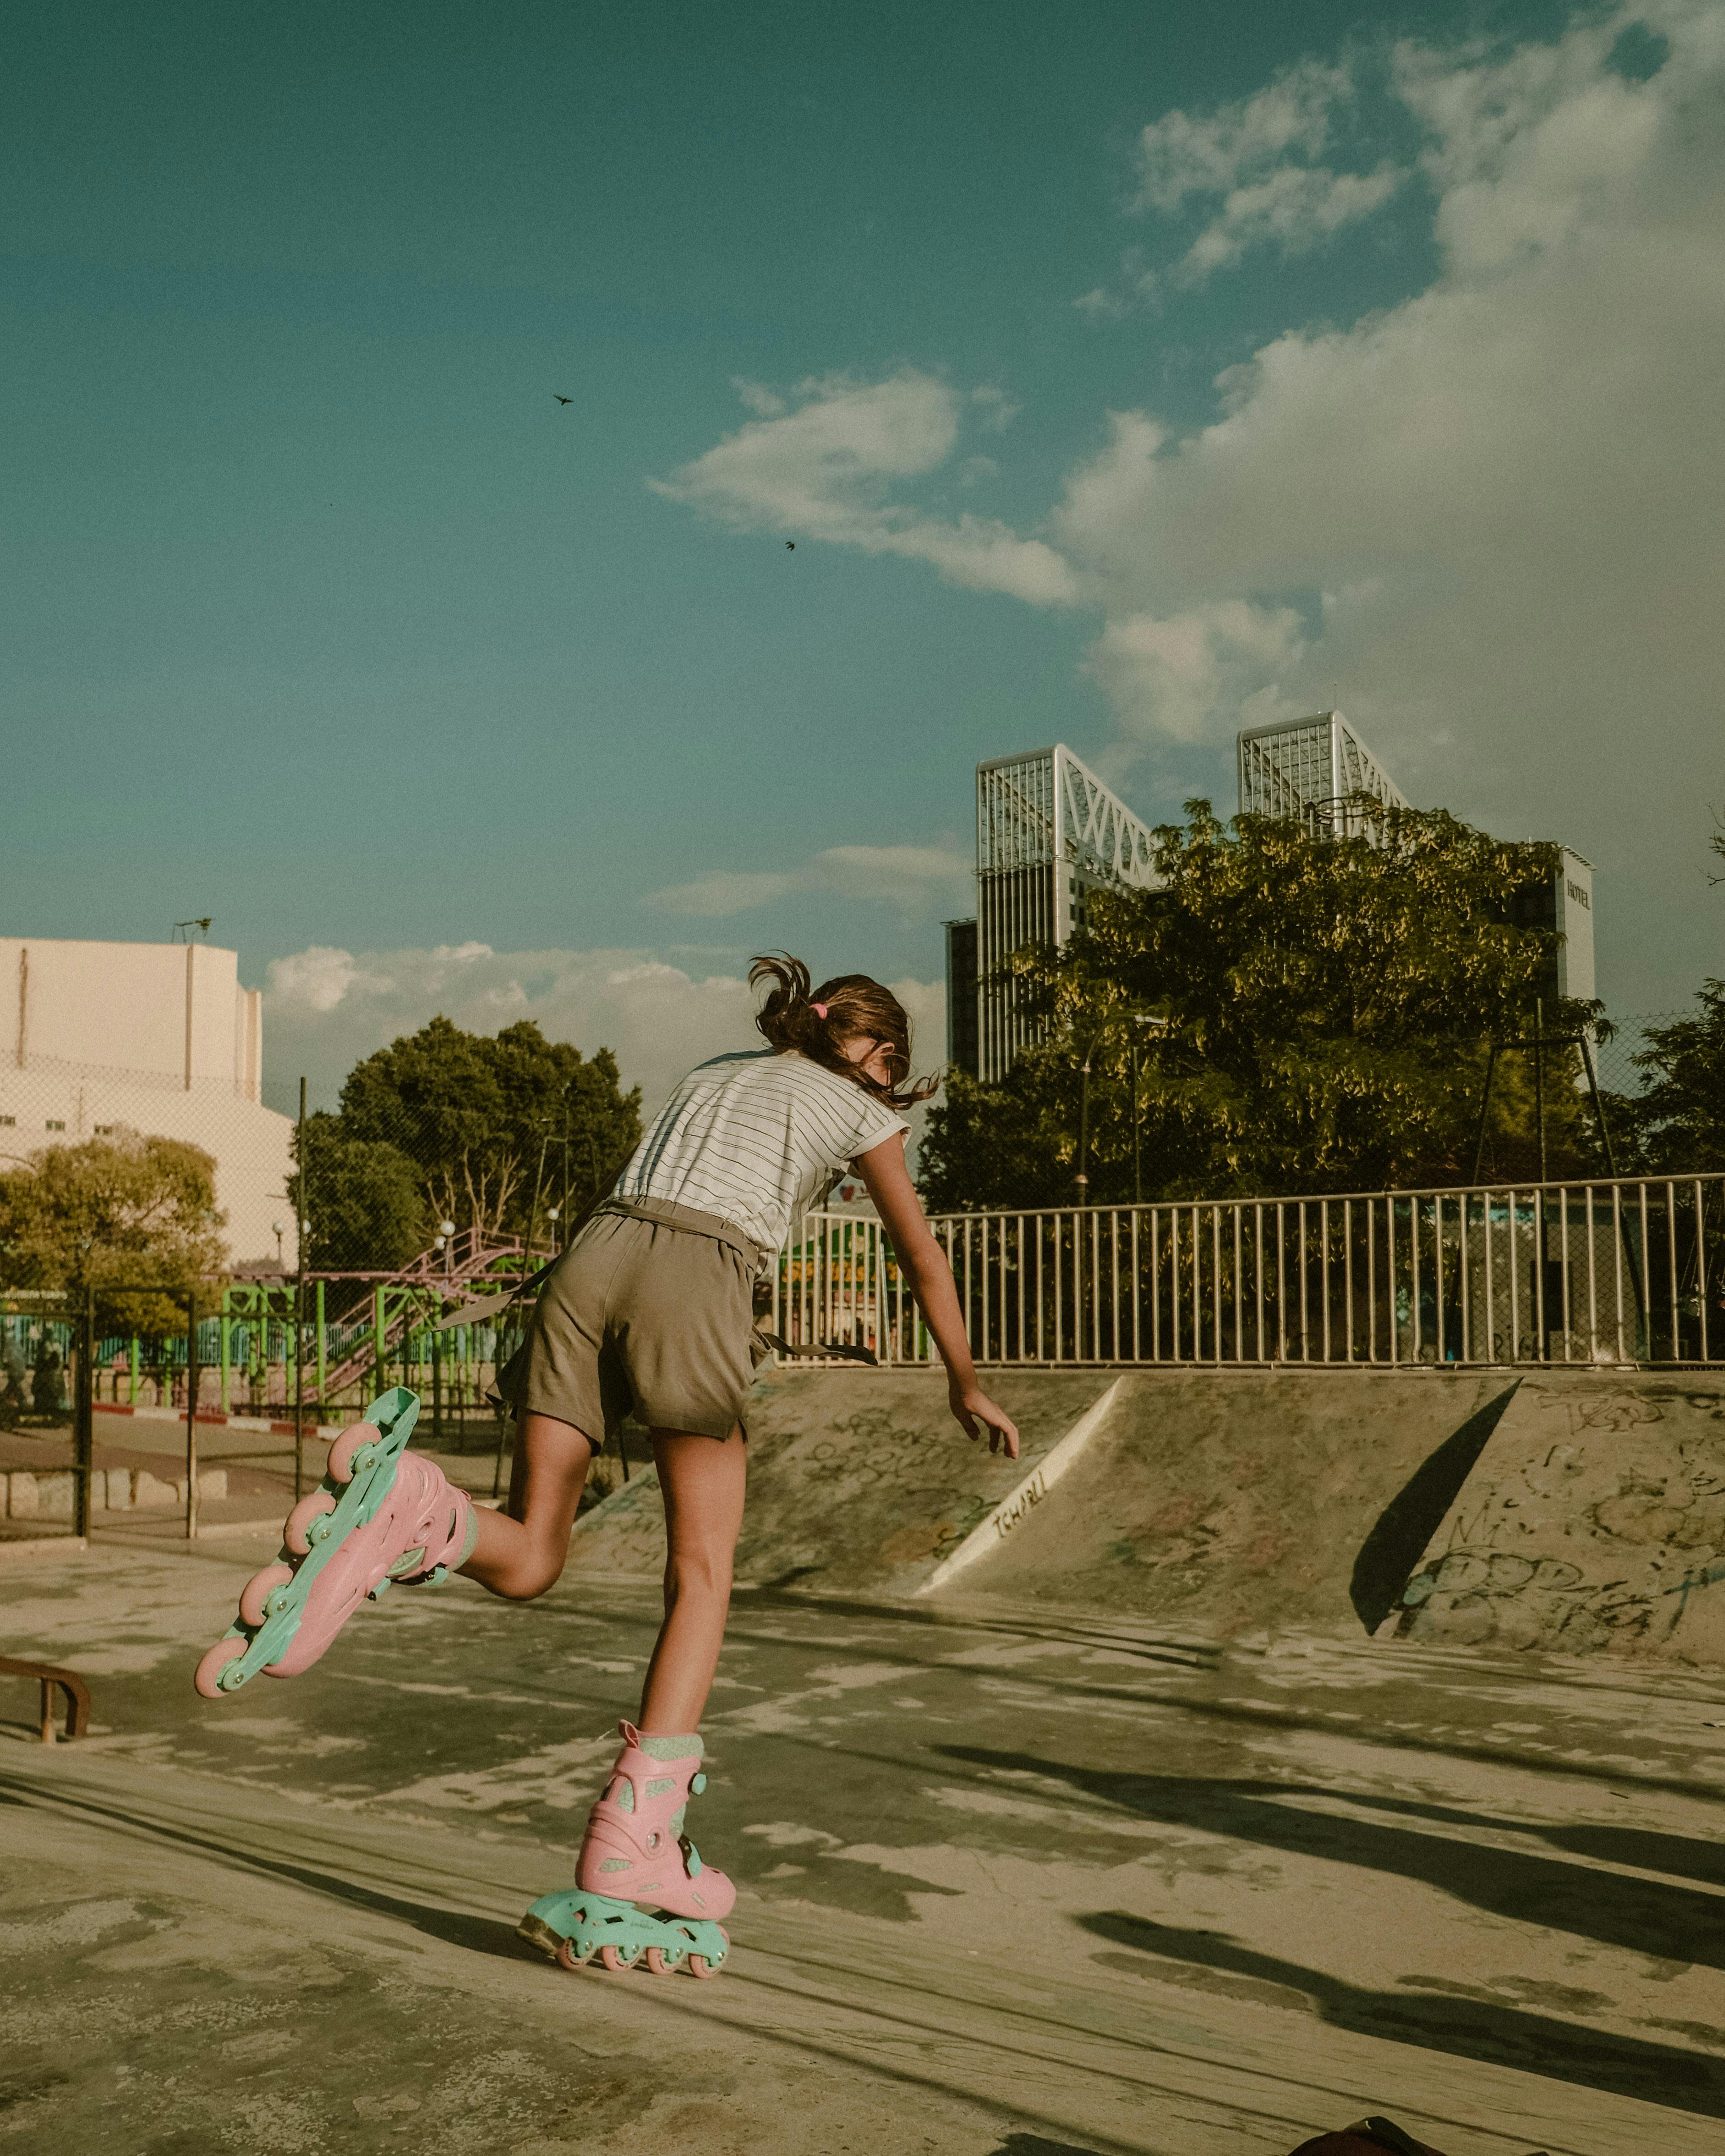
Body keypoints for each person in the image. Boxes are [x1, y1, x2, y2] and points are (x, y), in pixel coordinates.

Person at [198, 954, 1018, 1978]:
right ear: (877, 1054)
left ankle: (417, 1505)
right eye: (889, 1072)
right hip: (695, 1270)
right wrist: (963, 1381)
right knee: (702, 1572)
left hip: (591, 1259)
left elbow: (646, 1193)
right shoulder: (855, 1101)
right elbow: (920, 1254)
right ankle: (634, 1841)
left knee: (536, 1548)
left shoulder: (714, 1072)